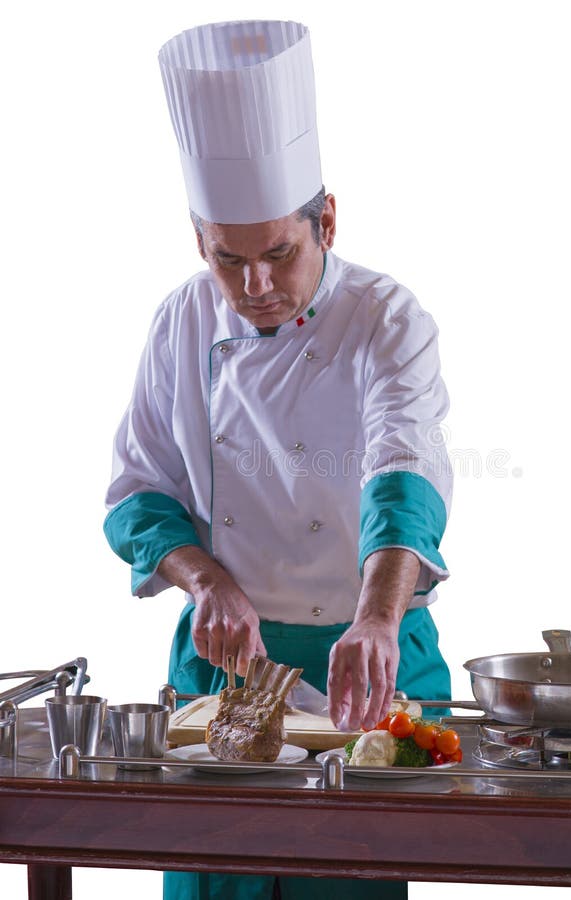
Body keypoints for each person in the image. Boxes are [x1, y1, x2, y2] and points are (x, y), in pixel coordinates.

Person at [104, 20, 452, 900]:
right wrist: (206, 582)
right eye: (229, 260)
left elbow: (401, 474)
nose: (255, 286)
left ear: (325, 220)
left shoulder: (385, 318)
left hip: (366, 660)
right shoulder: (182, 321)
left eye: (278, 254)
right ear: (199, 241)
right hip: (226, 669)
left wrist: (376, 619)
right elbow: (137, 495)